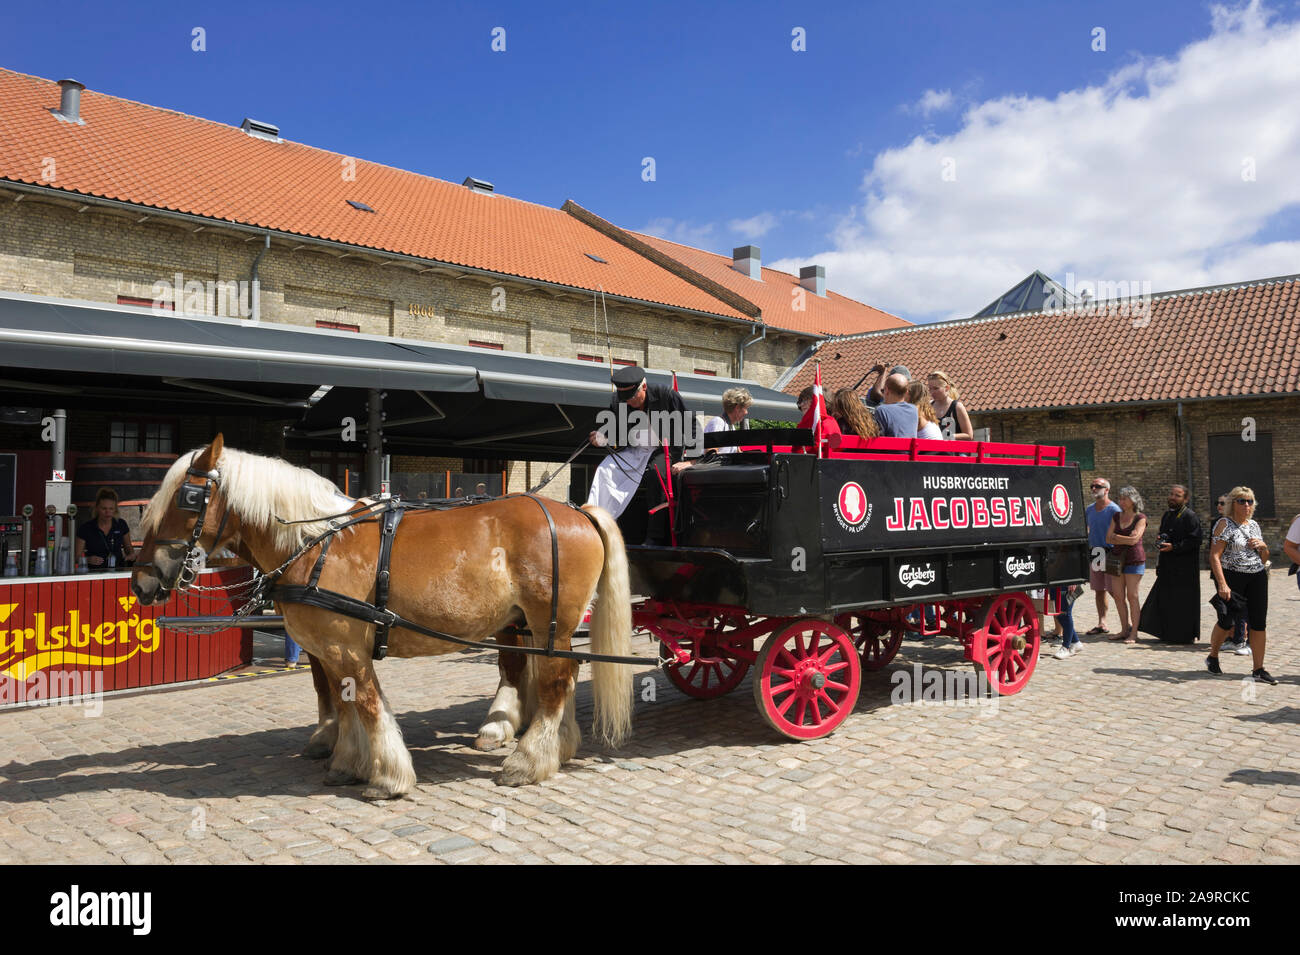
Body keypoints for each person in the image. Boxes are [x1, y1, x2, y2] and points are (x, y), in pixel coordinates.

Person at [585, 365, 698, 542]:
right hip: (635, 450)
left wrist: (691, 460)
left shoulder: (666, 395)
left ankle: (655, 537)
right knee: (605, 468)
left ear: (643, 387)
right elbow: (615, 430)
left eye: (631, 397)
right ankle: (595, 524)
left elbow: (691, 424)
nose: (628, 402)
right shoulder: (619, 401)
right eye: (624, 398)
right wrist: (602, 436)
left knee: (656, 474)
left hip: (664, 450)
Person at [1205, 487, 1275, 684]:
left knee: (1259, 622)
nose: (1246, 505)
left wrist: (1263, 547)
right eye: (1242, 501)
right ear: (1232, 503)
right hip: (1232, 576)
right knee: (1227, 621)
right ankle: (1213, 656)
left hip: (1256, 576)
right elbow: (1214, 556)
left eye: (1250, 501)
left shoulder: (1253, 525)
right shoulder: (1224, 523)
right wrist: (1222, 584)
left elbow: (1264, 558)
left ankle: (1258, 669)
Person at [1137, 485, 1202, 644]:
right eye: (1171, 494)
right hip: (1168, 567)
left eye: (1177, 495)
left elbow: (1195, 540)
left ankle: (1184, 636)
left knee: (1182, 603)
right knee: (1166, 601)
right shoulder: (1167, 515)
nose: (1173, 497)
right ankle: (1167, 633)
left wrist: (1175, 547)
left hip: (1185, 569)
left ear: (1185, 499)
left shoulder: (1190, 516)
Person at [1105, 485, 1146, 644]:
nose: (1121, 501)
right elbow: (1108, 538)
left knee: (1132, 596)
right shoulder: (1116, 516)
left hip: (1134, 560)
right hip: (1116, 559)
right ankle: (1124, 629)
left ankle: (1134, 633)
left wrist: (1118, 537)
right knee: (1118, 596)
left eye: (1124, 498)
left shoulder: (1140, 517)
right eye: (1120, 498)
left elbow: (1135, 540)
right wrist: (1125, 538)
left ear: (1133, 500)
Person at [1209, 493, 1249, 654]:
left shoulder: (1244, 524)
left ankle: (1239, 638)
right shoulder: (1216, 523)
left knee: (1239, 606)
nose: (1219, 506)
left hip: (1238, 571)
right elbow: (1213, 551)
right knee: (1225, 606)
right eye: (1217, 503)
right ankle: (1230, 636)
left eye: (1222, 503)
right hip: (1220, 570)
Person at [1083, 478, 1121, 635]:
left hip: (1111, 552)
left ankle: (1127, 623)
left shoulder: (1114, 510)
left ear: (1106, 490)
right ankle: (1102, 623)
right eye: (1092, 486)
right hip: (1096, 552)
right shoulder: (1090, 509)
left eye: (1097, 486)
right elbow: (1086, 529)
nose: (1093, 488)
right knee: (1099, 589)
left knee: (1114, 590)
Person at [75, 488, 135, 571]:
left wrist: (131, 554)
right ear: (97, 508)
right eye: (104, 509)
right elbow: (76, 557)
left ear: (115, 509)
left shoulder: (121, 524)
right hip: (93, 574)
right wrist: (88, 559)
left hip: (118, 572)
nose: (108, 512)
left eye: (111, 509)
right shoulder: (86, 528)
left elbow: (128, 547)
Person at [703, 387, 752, 454]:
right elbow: (711, 453)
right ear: (737, 408)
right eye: (745, 408)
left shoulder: (731, 426)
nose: (746, 412)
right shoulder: (718, 423)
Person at [927, 371, 974, 440]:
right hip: (932, 449)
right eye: (930, 389)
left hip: (954, 449)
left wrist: (947, 436)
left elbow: (969, 435)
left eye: (936, 388)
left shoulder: (957, 407)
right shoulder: (928, 406)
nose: (932, 392)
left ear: (947, 388)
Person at [871, 373, 919, 438]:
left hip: (891, 447)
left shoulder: (882, 410)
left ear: (887, 390)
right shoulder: (914, 409)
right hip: (909, 448)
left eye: (883, 390)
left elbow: (878, 439)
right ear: (906, 392)